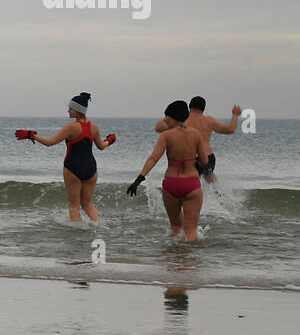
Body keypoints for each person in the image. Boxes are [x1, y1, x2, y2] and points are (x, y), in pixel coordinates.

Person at [14, 91, 117, 222]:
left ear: (77, 110)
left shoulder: (71, 127)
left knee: (74, 206)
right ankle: (99, 228)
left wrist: (31, 135)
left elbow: (50, 143)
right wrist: (110, 140)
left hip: (73, 168)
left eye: (70, 108)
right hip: (91, 169)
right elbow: (101, 146)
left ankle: (77, 235)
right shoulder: (94, 127)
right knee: (87, 204)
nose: (68, 111)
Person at [128, 100, 210, 241]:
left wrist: (139, 179)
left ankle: (171, 259)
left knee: (175, 228)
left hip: (171, 184)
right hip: (191, 183)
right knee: (191, 231)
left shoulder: (166, 136)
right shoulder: (196, 134)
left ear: (175, 117)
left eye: (168, 116)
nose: (165, 119)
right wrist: (193, 160)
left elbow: (153, 158)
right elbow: (205, 161)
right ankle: (190, 261)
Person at [152, 95, 240, 182]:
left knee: (186, 182)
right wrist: (235, 115)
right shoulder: (209, 120)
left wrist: (170, 115)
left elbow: (158, 128)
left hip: (190, 159)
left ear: (189, 107)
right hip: (208, 158)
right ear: (203, 109)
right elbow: (230, 129)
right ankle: (220, 194)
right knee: (208, 176)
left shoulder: (182, 119)